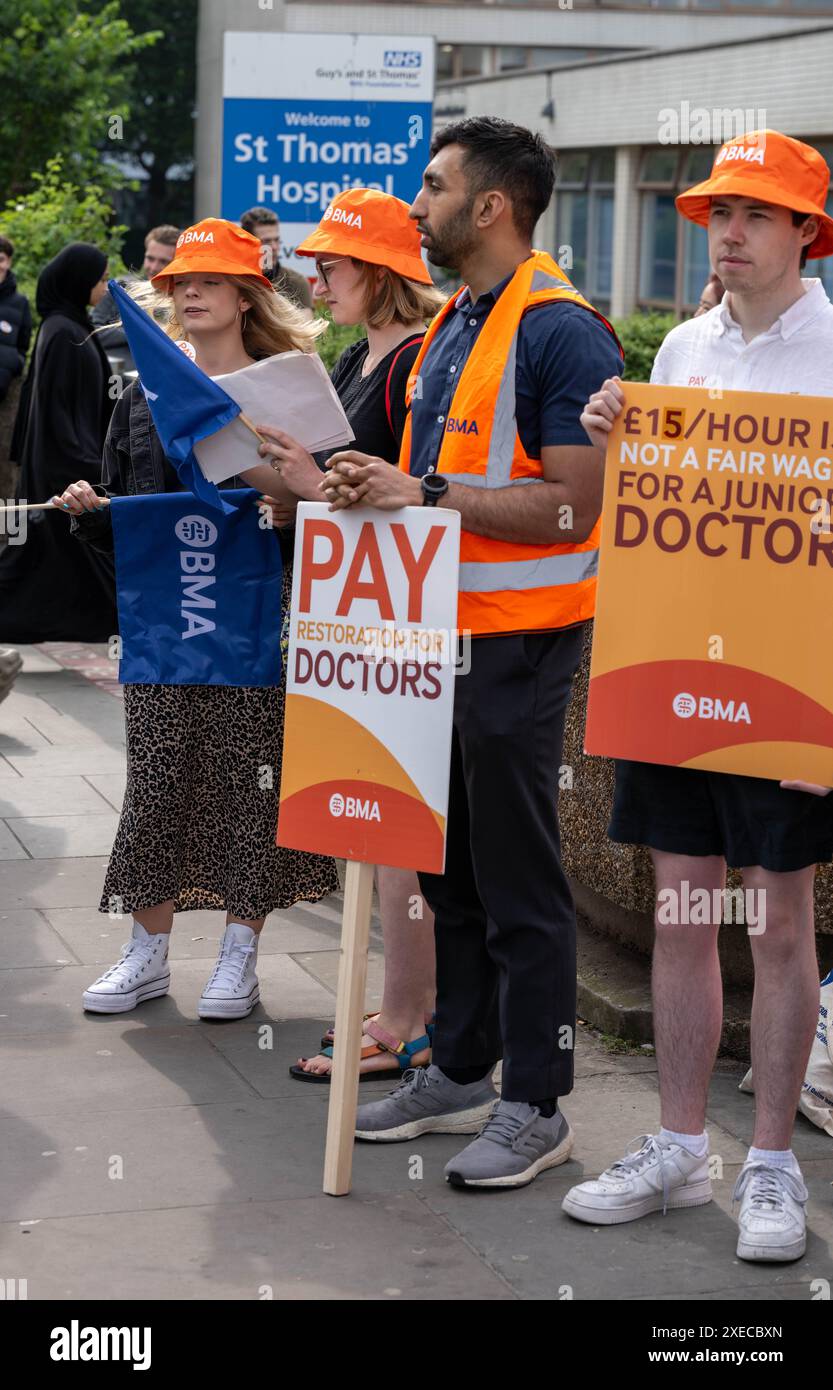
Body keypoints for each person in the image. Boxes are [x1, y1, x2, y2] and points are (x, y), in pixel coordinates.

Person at [321, 117, 623, 1186]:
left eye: (435, 184)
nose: (418, 201)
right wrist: (359, 478)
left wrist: (425, 491)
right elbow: (425, 478)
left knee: (517, 877)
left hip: (517, 645)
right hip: (433, 635)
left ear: (491, 205)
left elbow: (571, 510)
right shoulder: (456, 318)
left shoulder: (561, 329)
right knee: (447, 867)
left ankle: (534, 1101)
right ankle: (458, 1063)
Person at [567, 130, 833, 1262]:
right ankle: (679, 1145)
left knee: (776, 920)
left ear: (803, 233)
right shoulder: (677, 349)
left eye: (753, 214)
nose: (725, 231)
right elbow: (656, 508)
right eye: (717, 212)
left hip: (790, 677)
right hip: (678, 663)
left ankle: (769, 1162)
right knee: (681, 907)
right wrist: (607, 439)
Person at [53, 218, 340, 1019]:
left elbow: (329, 505)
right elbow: (128, 505)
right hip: (165, 621)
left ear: (248, 294)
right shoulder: (144, 395)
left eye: (210, 280)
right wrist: (91, 511)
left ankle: (237, 961)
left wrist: (291, 504)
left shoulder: (291, 390)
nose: (192, 291)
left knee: (251, 789)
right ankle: (145, 955)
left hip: (258, 617)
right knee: (156, 784)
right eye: (182, 281)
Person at [252, 188, 446, 1083]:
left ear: (376, 269)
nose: (316, 278)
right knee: (370, 835)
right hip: (351, 617)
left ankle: (410, 1020)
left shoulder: (415, 358)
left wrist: (305, 480)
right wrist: (296, 493)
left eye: (330, 265)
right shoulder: (366, 357)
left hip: (390, 625)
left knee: (395, 837)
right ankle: (400, 1008)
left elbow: (405, 494)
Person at [0, 243, 117, 642]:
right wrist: (88, 467)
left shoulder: (67, 326)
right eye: (100, 280)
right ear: (77, 282)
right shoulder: (65, 333)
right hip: (65, 473)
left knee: (41, 565)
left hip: (64, 471)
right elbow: (57, 417)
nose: (104, 289)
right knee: (39, 562)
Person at [91, 225, 180, 375]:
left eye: (164, 262)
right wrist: (142, 331)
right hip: (113, 380)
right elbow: (92, 332)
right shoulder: (120, 290)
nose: (154, 267)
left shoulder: (186, 301)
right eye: (150, 258)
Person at [240, 207, 314, 316]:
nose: (274, 247)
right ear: (247, 244)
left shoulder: (296, 282)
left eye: (277, 240)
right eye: (266, 241)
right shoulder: (235, 281)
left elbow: (306, 330)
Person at [0, 235, 32, 404]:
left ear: (9, 262)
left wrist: (15, 361)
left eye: (1, 259)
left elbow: (23, 345)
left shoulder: (21, 303)